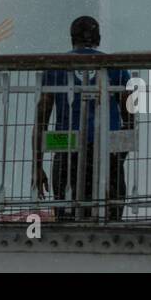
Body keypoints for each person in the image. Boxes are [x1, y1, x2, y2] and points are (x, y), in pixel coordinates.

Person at [33, 15, 133, 220]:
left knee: (67, 218)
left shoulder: (55, 68)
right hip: (106, 154)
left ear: (72, 39)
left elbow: (41, 120)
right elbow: (129, 114)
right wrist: (120, 151)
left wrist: (37, 166)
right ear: (99, 38)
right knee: (110, 219)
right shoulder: (115, 67)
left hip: (67, 150)